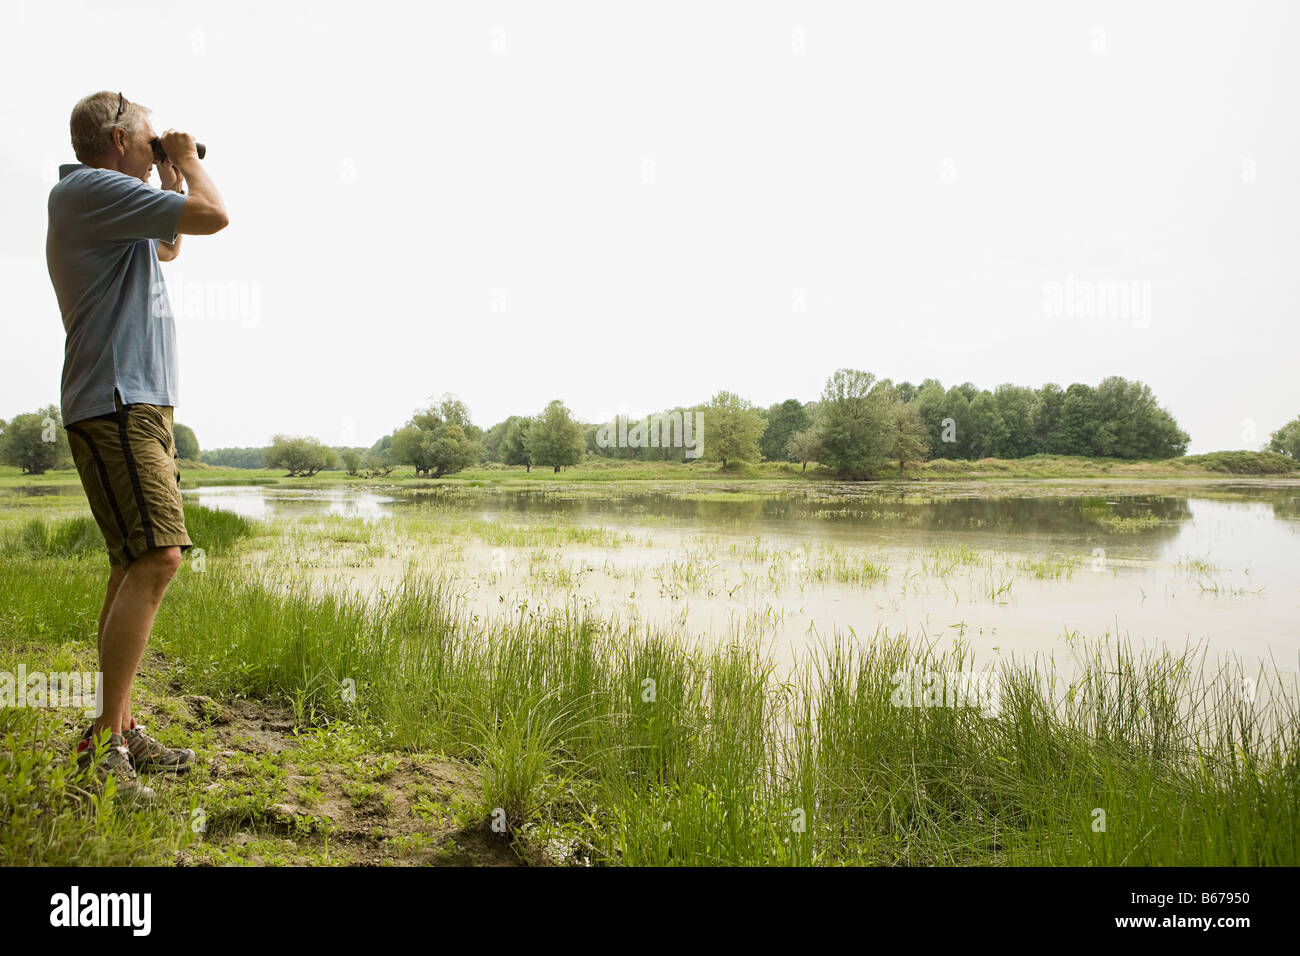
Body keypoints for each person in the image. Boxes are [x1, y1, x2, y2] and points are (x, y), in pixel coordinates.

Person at [46, 91, 229, 802]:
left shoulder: (110, 203)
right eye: (149, 140)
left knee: (131, 560)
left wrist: (169, 176)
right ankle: (105, 747)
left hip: (134, 403)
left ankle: (113, 728)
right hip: (117, 401)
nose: (158, 149)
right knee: (159, 555)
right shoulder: (89, 189)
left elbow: (171, 242)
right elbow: (213, 219)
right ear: (119, 139)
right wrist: (184, 162)